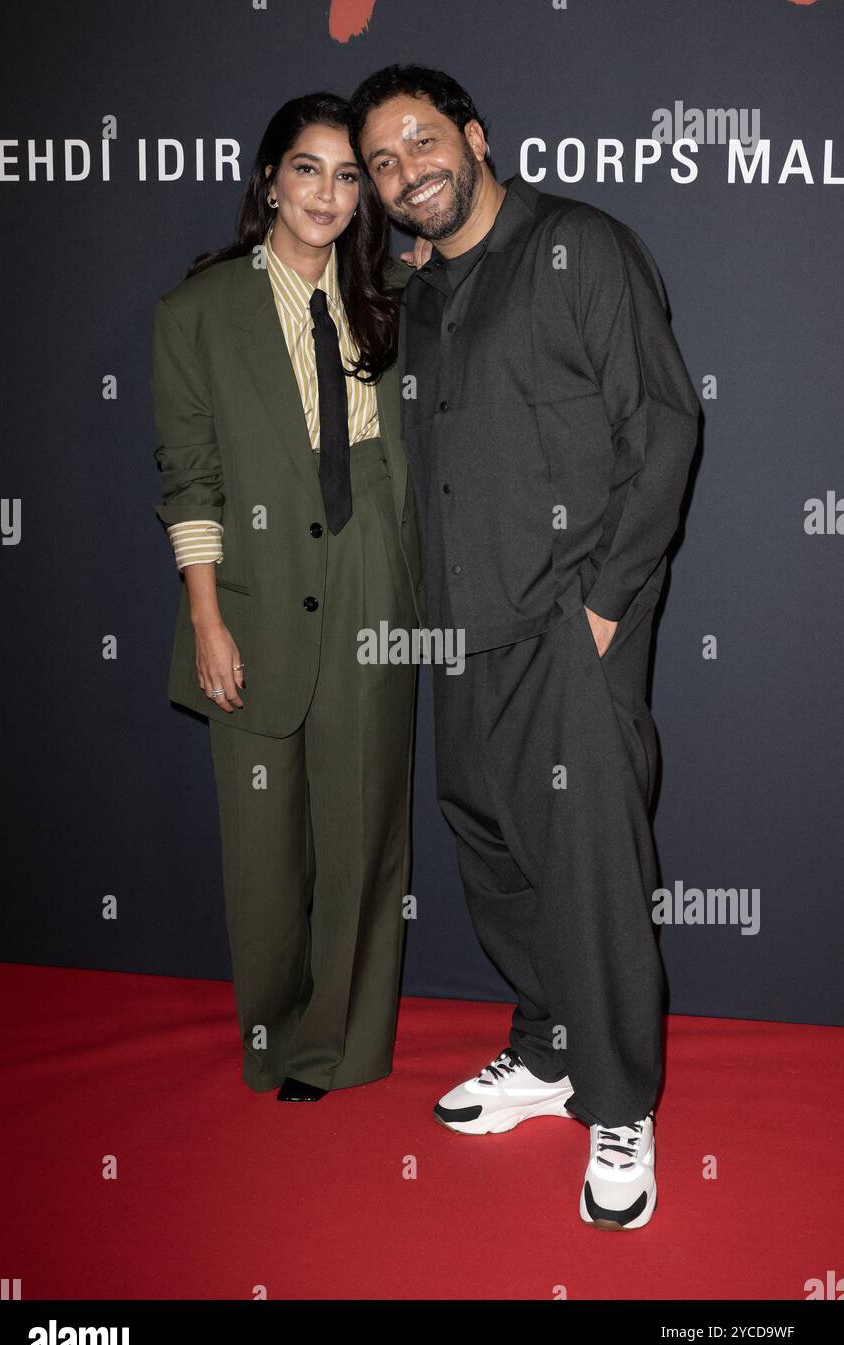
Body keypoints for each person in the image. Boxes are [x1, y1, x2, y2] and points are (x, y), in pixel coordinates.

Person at [350, 65, 700, 1228]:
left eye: (420, 143)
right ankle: (548, 1052)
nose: (406, 174)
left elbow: (661, 425)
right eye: (384, 164)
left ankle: (616, 1103)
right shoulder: (427, 293)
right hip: (464, 628)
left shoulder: (581, 247)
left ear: (475, 137)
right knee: (493, 848)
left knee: (590, 867)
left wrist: (602, 605)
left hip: (567, 626)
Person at [150, 93, 426, 1102]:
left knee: (361, 827)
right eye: (307, 169)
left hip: (369, 574)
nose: (328, 192)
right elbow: (188, 477)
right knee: (262, 851)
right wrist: (206, 615)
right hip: (254, 587)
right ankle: (270, 1038)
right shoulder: (195, 311)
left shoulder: (393, 291)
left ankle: (339, 1047)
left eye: (349, 174)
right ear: (268, 179)